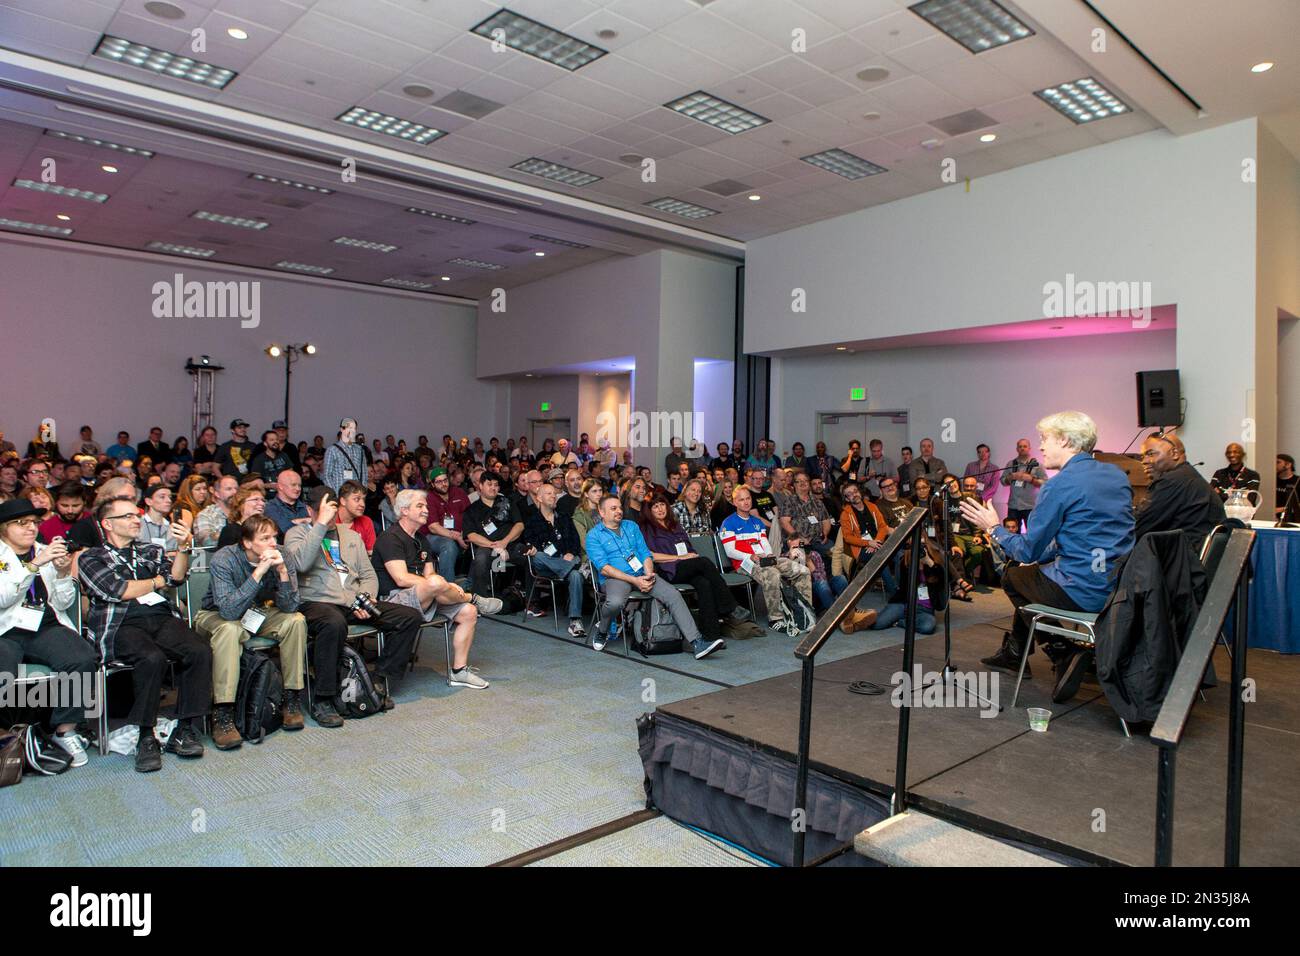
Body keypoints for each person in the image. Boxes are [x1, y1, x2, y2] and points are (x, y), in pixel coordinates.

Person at [960, 411, 1134, 698]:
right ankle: (1015, 653)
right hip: (1119, 587)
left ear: (1065, 440)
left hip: (1083, 591)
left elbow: (1028, 548)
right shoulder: (1115, 475)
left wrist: (993, 528)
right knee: (1028, 571)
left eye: (1045, 439)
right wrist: (1038, 557)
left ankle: (1063, 652)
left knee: (1013, 575)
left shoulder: (1059, 484)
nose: (1040, 447)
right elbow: (1079, 535)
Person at [79, 495, 211, 771]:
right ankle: (145, 735)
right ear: (108, 524)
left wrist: (184, 548)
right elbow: (118, 591)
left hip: (160, 617)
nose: (135, 519)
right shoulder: (91, 557)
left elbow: (175, 578)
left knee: (199, 650)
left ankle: (184, 728)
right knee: (151, 658)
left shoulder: (150, 550)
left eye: (136, 514)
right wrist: (156, 581)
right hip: (120, 624)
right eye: (126, 516)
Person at [284, 487, 423, 724]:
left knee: (410, 616)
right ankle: (323, 699)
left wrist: (365, 598)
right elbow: (301, 564)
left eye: (332, 511)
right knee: (333, 624)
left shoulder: (350, 536)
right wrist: (319, 526)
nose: (329, 517)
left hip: (353, 600)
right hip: (317, 602)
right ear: (310, 510)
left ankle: (376, 681)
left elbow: (368, 575)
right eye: (323, 512)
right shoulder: (296, 534)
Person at [0, 498, 98, 768]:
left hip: (44, 626)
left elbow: (65, 602)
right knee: (2, 669)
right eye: (22, 523)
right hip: (5, 629)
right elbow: (3, 598)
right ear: (3, 529)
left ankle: (65, 730)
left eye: (34, 522)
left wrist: (64, 572)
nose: (31, 528)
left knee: (81, 657)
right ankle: (6, 737)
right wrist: (33, 565)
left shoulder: (45, 550)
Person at [197, 514, 309, 748]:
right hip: (215, 614)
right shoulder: (224, 558)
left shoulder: (283, 554)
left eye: (274, 536)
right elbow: (227, 610)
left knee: (295, 621)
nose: (273, 543)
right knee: (229, 629)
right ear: (247, 543)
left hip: (257, 614)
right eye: (265, 538)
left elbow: (290, 606)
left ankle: (291, 698)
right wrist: (258, 572)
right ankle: (223, 713)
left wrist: (282, 573)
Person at [372, 490, 502, 689]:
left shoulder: (422, 540)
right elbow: (401, 578)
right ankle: (472, 597)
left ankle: (459, 671)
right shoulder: (390, 537)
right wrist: (438, 584)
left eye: (426, 506)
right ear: (404, 511)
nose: (426, 510)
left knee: (468, 612)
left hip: (426, 597)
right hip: (394, 601)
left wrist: (438, 584)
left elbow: (430, 574)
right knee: (436, 583)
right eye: (420, 506)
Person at [586, 494, 724, 658]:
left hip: (643, 574)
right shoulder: (594, 535)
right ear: (602, 513)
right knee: (615, 602)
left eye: (620, 508)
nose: (619, 511)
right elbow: (604, 569)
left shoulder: (631, 526)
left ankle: (697, 642)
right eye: (613, 508)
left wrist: (649, 573)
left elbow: (645, 554)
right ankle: (603, 630)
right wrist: (634, 580)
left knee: (673, 595)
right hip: (617, 578)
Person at [640, 492, 754, 641]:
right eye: (655, 507)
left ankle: (711, 635)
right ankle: (730, 607)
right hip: (669, 570)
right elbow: (651, 555)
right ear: (650, 510)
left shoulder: (674, 525)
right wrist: (680, 557)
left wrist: (691, 555)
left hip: (687, 565)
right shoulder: (647, 528)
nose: (660, 509)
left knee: (704, 583)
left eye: (662, 505)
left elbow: (688, 547)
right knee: (705, 562)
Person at [720, 486, 813, 630]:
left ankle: (804, 612)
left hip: (765, 559)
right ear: (735, 503)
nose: (746, 502)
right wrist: (751, 556)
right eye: (741, 499)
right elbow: (730, 551)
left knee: (802, 569)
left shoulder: (757, 522)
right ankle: (775, 618)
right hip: (745, 563)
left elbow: (764, 543)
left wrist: (769, 554)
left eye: (748, 498)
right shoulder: (728, 523)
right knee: (772, 574)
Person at [1135, 433, 1226, 543]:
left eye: (1151, 454)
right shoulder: (1187, 476)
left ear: (1174, 453)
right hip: (1191, 553)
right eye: (1142, 456)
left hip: (1181, 556)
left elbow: (1139, 526)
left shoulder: (1171, 481)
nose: (1144, 461)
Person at [522, 483, 587, 636]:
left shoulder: (563, 516)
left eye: (554, 494)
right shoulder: (532, 521)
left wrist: (570, 552)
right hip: (547, 565)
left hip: (567, 559)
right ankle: (576, 567)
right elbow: (532, 545)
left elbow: (575, 541)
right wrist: (565, 559)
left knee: (576, 576)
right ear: (539, 498)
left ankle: (575, 621)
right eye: (549, 493)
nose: (553, 496)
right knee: (537, 556)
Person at [425, 467, 469, 577]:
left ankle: (472, 585)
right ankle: (447, 588)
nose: (443, 484)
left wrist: (466, 532)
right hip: (435, 536)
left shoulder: (458, 492)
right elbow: (433, 527)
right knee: (448, 545)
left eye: (445, 480)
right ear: (432, 484)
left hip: (462, 533)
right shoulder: (429, 498)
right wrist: (456, 537)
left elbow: (470, 516)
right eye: (439, 482)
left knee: (479, 543)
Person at [1001, 439, 1047, 530]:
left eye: (1025, 446)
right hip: (1013, 506)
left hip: (1030, 506)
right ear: (1017, 449)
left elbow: (1046, 483)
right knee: (1012, 535)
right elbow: (1002, 481)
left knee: (1032, 534)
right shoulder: (1010, 464)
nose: (1022, 448)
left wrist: (1032, 480)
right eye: (1020, 446)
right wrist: (1010, 477)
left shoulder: (1037, 465)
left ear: (1029, 448)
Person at [136, 483, 186, 552]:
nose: (169, 500)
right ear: (149, 501)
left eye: (170, 497)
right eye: (162, 497)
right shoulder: (138, 524)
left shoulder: (173, 528)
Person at [194, 474, 238, 546]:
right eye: (229, 489)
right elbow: (207, 542)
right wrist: (229, 532)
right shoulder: (206, 515)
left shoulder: (244, 512)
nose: (234, 492)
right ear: (217, 494)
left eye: (237, 489)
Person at [335, 480, 376, 553]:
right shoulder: (330, 521)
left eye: (363, 499)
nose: (362, 504)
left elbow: (371, 554)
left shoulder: (366, 522)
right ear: (343, 501)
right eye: (357, 499)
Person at [265, 469, 310, 535]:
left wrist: (296, 522)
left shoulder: (305, 506)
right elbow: (287, 529)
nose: (298, 489)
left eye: (299, 485)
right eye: (293, 485)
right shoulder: (270, 507)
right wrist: (307, 520)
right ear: (280, 486)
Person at [572, 478, 605, 551]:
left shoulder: (605, 508)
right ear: (586, 494)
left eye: (600, 490)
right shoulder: (580, 515)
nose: (599, 494)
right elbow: (586, 544)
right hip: (593, 555)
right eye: (594, 491)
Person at [1276, 454, 1299, 521]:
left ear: (1288, 465)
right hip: (1270, 519)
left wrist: (1278, 510)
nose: (1275, 465)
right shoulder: (1272, 480)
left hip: (1293, 519)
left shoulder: (1298, 481)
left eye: (1278, 462)